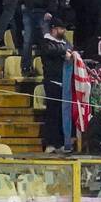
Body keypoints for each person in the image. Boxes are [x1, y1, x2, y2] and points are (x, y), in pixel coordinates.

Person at [40, 15, 72, 153]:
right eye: (60, 29)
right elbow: (49, 51)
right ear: (53, 29)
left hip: (64, 82)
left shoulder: (64, 42)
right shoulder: (46, 42)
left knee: (62, 114)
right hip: (52, 82)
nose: (63, 31)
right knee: (52, 114)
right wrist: (64, 52)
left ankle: (61, 142)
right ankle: (50, 142)